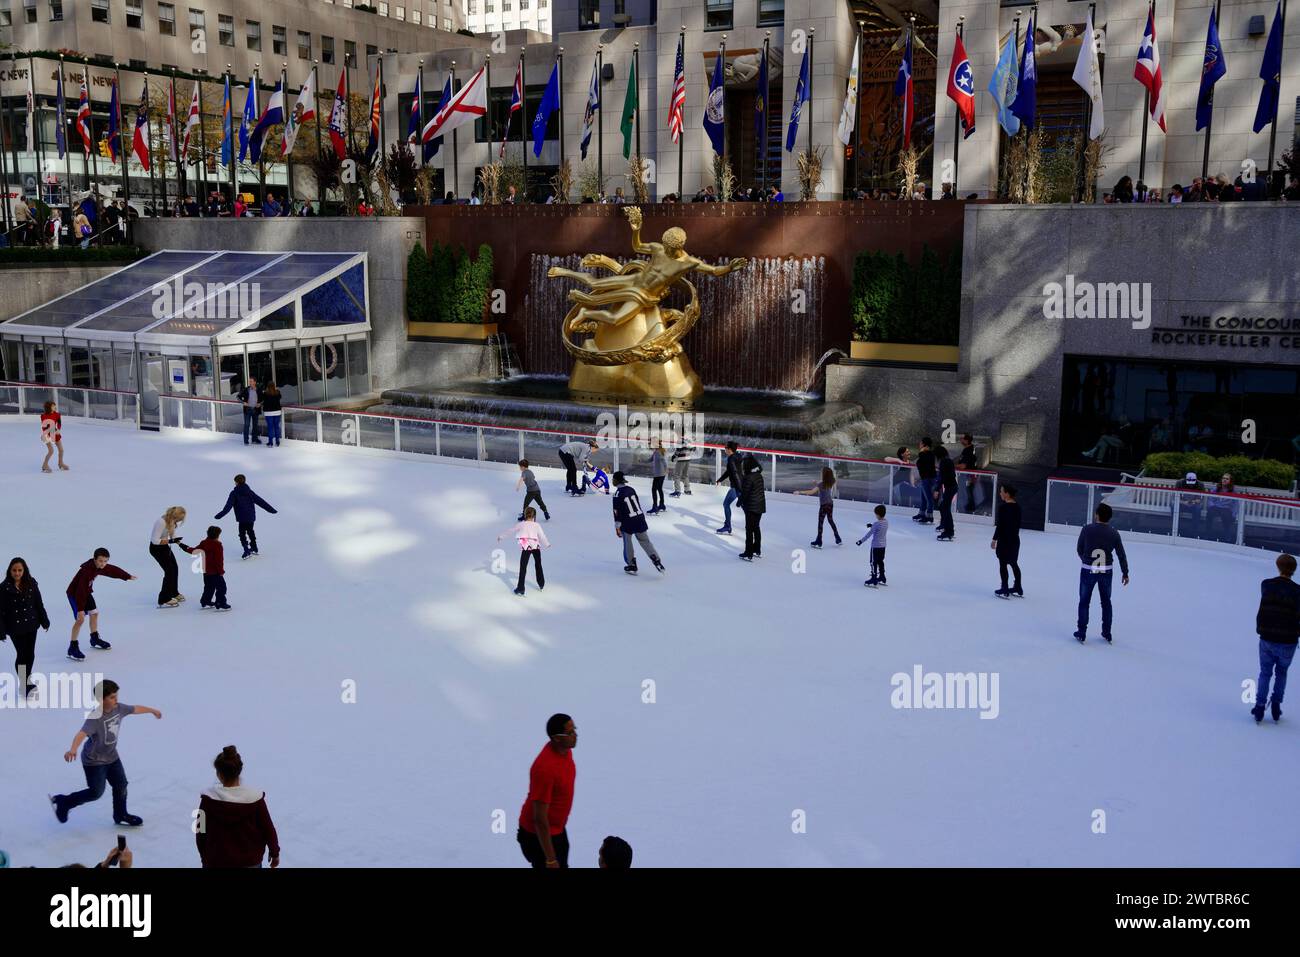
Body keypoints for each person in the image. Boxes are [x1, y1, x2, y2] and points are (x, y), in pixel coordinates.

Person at [51, 679, 162, 827]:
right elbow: (82, 733)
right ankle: (64, 802)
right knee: (96, 792)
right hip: (94, 761)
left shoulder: (119, 708)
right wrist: (73, 749)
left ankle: (121, 814)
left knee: (121, 784)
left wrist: (152, 710)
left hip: (111, 756)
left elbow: (135, 709)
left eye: (116, 696)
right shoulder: (95, 717)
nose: (116, 700)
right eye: (111, 697)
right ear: (101, 700)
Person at [196, 745, 281, 867]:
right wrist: (275, 853)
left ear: (219, 774)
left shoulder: (207, 800)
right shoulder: (255, 799)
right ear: (239, 771)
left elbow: (200, 832)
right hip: (250, 862)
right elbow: (268, 829)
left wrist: (205, 858)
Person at [517, 714, 578, 868]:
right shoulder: (544, 768)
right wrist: (550, 859)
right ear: (557, 738)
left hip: (556, 829)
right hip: (538, 836)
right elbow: (539, 819)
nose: (575, 735)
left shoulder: (565, 751)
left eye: (574, 729)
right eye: (570, 733)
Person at [1252, 554, 1300, 723]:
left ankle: (1259, 706)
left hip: (1267, 637)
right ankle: (1276, 705)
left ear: (1278, 566)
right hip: (1288, 640)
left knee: (1265, 672)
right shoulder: (1298, 592)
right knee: (1282, 672)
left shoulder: (1267, 585)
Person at [65, 548, 136, 661]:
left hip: (86, 592)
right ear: (95, 559)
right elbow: (80, 591)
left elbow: (112, 570)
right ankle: (72, 648)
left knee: (94, 613)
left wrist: (126, 576)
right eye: (100, 561)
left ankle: (94, 639)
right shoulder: (86, 571)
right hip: (75, 594)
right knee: (80, 619)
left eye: (105, 561)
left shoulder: (99, 566)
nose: (103, 564)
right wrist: (80, 609)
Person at [1074, 503, 1130, 643]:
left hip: (1088, 569)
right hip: (1106, 570)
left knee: (1084, 601)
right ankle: (1106, 631)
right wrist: (1125, 572)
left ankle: (1081, 631)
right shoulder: (1114, 533)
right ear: (1109, 518)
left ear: (1097, 515)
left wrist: (1085, 560)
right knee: (1106, 602)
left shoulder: (1087, 529)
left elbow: (1079, 548)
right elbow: (1121, 554)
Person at [0, 557, 50, 699]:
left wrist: (44, 620)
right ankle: (25, 684)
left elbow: (38, 603)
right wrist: (1, 631)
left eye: (19, 570)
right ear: (10, 571)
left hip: (31, 624)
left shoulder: (31, 583)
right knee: (21, 655)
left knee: (30, 654)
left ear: (24, 570)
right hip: (15, 627)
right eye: (14, 570)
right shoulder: (3, 588)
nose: (17, 573)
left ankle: (27, 680)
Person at [214, 474, 277, 560]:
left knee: (242, 534)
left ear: (236, 482)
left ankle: (246, 550)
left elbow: (228, 507)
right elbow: (261, 501)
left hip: (242, 518)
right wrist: (271, 510)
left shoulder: (234, 493)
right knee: (250, 531)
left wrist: (220, 515)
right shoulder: (249, 492)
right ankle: (254, 548)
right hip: (251, 517)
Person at [612, 472, 664, 574]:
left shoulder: (617, 494)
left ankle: (631, 565)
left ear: (616, 481)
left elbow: (616, 512)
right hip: (639, 518)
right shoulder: (631, 489)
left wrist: (617, 526)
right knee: (645, 541)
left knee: (627, 542)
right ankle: (656, 559)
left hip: (627, 521)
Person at [499, 507, 551, 596]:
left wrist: (501, 536)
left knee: (523, 567)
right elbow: (542, 536)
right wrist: (547, 544)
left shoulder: (521, 524)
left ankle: (520, 588)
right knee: (538, 564)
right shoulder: (536, 525)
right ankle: (541, 583)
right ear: (534, 515)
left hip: (526, 547)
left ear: (525, 515)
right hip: (536, 547)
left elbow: (510, 531)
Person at [178, 526, 230, 610]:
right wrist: (221, 571)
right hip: (215, 572)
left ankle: (205, 601)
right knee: (221, 587)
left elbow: (193, 551)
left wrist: (181, 544)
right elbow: (218, 560)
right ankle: (220, 603)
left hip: (206, 571)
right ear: (217, 535)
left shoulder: (204, 543)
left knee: (209, 587)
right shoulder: (217, 545)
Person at [149, 506, 188, 608]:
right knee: (169, 571)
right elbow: (155, 541)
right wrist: (170, 541)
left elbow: (172, 535)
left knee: (174, 568)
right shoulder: (161, 522)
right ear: (174, 516)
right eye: (178, 519)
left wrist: (180, 544)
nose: (178, 522)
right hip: (156, 549)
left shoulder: (172, 522)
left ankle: (173, 592)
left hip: (164, 547)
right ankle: (164, 598)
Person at [797, 466, 842, 548]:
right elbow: (822, 484)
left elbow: (811, 492)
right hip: (830, 504)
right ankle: (838, 538)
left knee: (820, 523)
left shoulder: (822, 484)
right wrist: (816, 483)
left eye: (821, 473)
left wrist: (800, 492)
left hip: (824, 505)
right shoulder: (831, 481)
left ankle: (819, 541)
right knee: (830, 520)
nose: (820, 474)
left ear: (824, 475)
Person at [992, 484, 1023, 598]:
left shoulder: (1003, 508)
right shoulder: (1018, 507)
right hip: (1014, 539)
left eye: (1001, 491)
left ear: (1007, 494)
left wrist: (994, 539)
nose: (1000, 493)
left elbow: (1000, 525)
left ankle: (1004, 587)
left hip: (1004, 540)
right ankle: (1018, 586)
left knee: (1003, 564)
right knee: (1014, 563)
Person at [738, 454, 766, 562]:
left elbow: (745, 493)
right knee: (756, 528)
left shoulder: (748, 477)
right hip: (760, 506)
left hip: (751, 507)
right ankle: (757, 549)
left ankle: (748, 552)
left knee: (749, 530)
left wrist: (739, 502)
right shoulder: (759, 475)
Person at [714, 441, 744, 534]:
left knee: (726, 504)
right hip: (741, 484)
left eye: (725, 448)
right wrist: (720, 479)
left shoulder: (731, 459)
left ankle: (728, 526)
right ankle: (753, 526)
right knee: (745, 507)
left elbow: (734, 473)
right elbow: (729, 471)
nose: (724, 449)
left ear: (730, 449)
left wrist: (739, 488)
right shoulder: (738, 456)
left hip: (737, 486)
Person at [856, 505, 889, 586]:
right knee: (880, 561)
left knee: (873, 562)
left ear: (878, 514)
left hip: (875, 547)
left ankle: (874, 578)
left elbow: (869, 534)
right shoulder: (886, 522)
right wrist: (872, 525)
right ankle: (882, 576)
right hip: (883, 546)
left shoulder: (876, 524)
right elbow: (879, 527)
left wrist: (861, 541)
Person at [1204, 472, 1239, 543]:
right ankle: (1207, 534)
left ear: (1230, 481)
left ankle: (1227, 536)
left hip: (1226, 508)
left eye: (1227, 479)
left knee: (1226, 516)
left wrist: (1234, 514)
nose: (1224, 480)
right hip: (1216, 507)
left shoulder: (1233, 491)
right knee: (1209, 513)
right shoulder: (1216, 488)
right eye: (1223, 478)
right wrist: (1211, 506)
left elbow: (1236, 504)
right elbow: (1210, 499)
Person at [934, 445, 958, 542]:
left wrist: (937, 489)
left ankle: (949, 531)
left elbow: (942, 477)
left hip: (950, 488)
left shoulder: (944, 462)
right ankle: (947, 528)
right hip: (951, 487)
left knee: (945, 508)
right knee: (944, 507)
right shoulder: (948, 461)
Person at [912, 437, 936, 525]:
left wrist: (921, 452)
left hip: (928, 478)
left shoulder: (925, 454)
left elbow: (923, 465)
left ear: (925, 445)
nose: (919, 444)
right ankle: (921, 514)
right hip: (926, 478)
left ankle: (929, 516)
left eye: (921, 443)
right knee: (924, 497)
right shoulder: (929, 454)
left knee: (928, 498)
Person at [40, 400, 69, 472]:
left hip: (55, 434)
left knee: (61, 450)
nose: (55, 407)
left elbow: (59, 423)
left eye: (54, 405)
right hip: (47, 434)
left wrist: (58, 429)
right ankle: (44, 465)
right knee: (51, 451)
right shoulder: (43, 416)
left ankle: (60, 463)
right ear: (49, 407)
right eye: (53, 406)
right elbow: (44, 427)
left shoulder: (57, 415)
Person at [956, 433, 980, 513]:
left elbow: (963, 466)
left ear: (966, 440)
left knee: (968, 491)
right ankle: (970, 507)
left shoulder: (968, 451)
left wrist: (953, 465)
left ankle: (970, 508)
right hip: (970, 475)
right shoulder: (970, 449)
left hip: (969, 476)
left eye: (962, 438)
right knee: (969, 490)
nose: (960, 440)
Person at [1176, 471, 1204, 539]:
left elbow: (1201, 499)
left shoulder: (1200, 484)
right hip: (1182, 503)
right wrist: (1183, 502)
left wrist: (1194, 502)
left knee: (1198, 509)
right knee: (1174, 506)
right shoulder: (1179, 483)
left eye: (1192, 483)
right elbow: (1175, 497)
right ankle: (1176, 529)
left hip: (1194, 504)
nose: (1190, 485)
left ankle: (1194, 531)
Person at [236, 376, 262, 445]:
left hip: (256, 410)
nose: (250, 383)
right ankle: (246, 440)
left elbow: (263, 399)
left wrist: (260, 404)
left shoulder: (259, 390)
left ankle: (254, 439)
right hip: (247, 410)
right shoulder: (246, 389)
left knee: (255, 425)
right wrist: (243, 402)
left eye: (251, 381)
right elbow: (238, 397)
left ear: (255, 382)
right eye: (249, 381)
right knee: (247, 425)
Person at [648, 440, 668, 514]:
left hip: (658, 475)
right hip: (661, 474)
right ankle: (662, 505)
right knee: (659, 489)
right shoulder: (658, 451)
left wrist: (666, 468)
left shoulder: (657, 452)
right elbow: (650, 460)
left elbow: (663, 461)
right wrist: (641, 461)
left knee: (654, 490)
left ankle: (655, 507)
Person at [261, 381, 283, 447]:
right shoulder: (278, 392)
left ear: (267, 386)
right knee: (276, 427)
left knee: (270, 427)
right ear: (274, 386)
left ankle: (270, 443)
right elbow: (280, 397)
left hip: (268, 412)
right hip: (277, 412)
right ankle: (277, 442)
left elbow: (262, 400)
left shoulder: (265, 393)